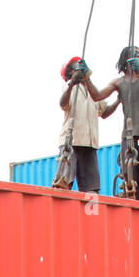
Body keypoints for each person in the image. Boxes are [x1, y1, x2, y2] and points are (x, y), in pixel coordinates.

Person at [54, 56, 118, 194]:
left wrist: (119, 100)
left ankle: (91, 215)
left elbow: (104, 112)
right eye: (76, 66)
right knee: (63, 185)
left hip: (90, 145)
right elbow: (63, 104)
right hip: (71, 143)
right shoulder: (69, 88)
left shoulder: (92, 91)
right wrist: (72, 83)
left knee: (92, 191)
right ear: (70, 72)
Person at [104, 45, 139, 201]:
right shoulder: (118, 83)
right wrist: (85, 78)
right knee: (130, 175)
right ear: (126, 59)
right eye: (136, 55)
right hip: (128, 136)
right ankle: (134, 207)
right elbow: (98, 96)